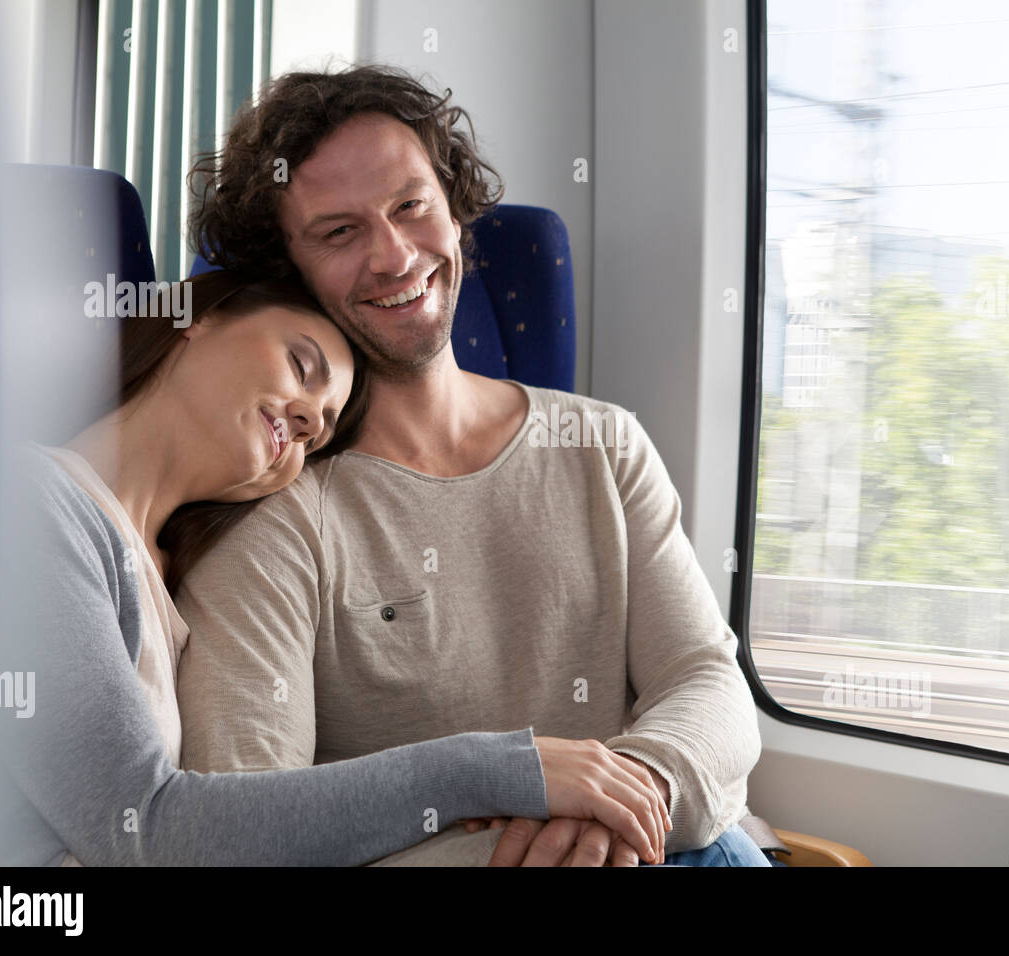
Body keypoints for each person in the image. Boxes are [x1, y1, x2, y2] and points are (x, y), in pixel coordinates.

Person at [176, 64, 766, 867]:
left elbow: (707, 680)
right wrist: (534, 843)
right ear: (290, 272)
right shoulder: (273, 504)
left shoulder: (606, 445)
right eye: (340, 232)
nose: (393, 256)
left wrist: (633, 791)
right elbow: (249, 815)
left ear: (456, 214)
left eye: (411, 206)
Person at [0, 270, 670, 866]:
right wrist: (501, 769)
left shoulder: (175, 579)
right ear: (193, 320)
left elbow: (232, 822)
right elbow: (144, 829)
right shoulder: (24, 500)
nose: (307, 419)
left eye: (321, 428)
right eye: (300, 365)